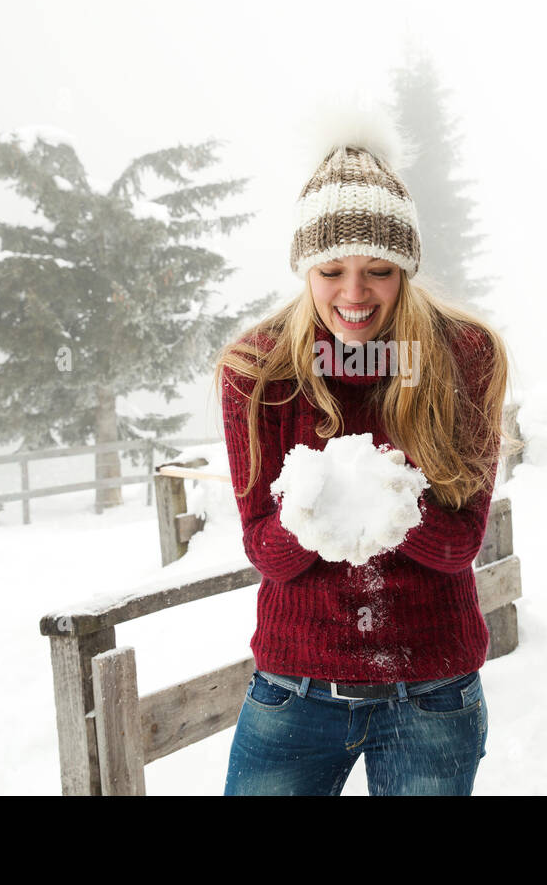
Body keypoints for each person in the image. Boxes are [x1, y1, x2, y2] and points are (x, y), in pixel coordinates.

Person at [211, 134, 518, 795]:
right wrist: (314, 508)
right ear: (304, 270)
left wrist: (384, 497)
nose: (354, 292)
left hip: (431, 691)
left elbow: (459, 543)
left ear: (405, 267)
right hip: (295, 687)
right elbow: (267, 552)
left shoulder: (466, 355)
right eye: (331, 270)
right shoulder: (256, 371)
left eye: (378, 268)